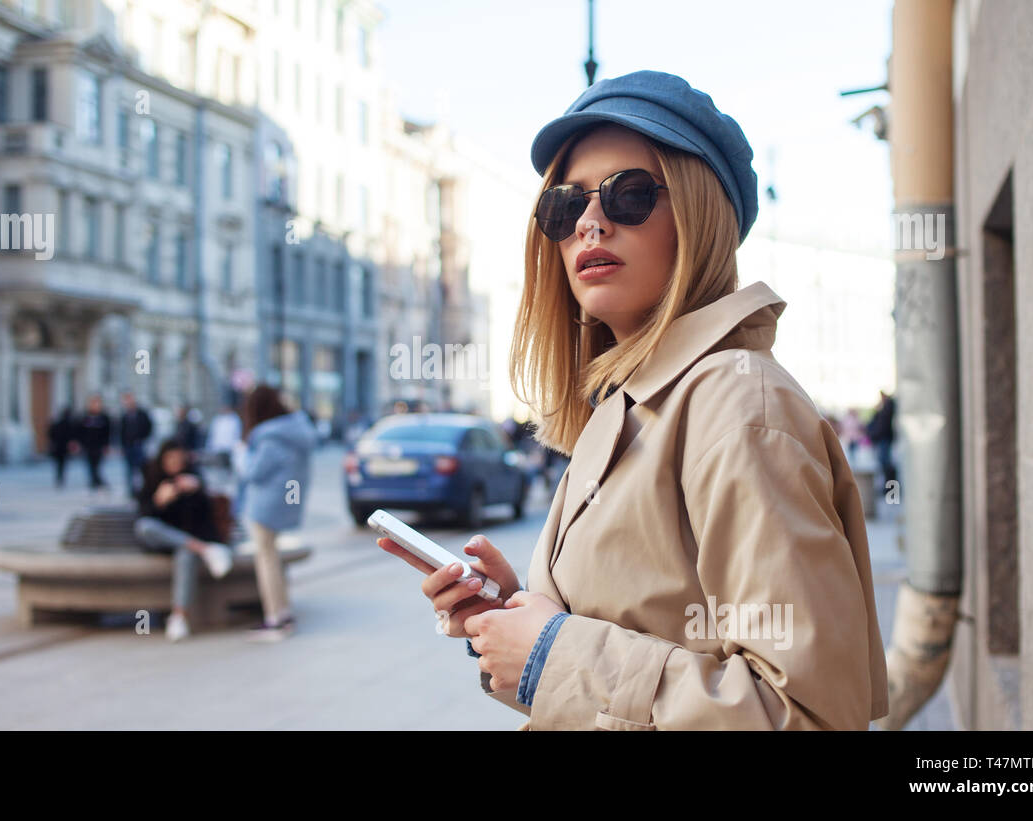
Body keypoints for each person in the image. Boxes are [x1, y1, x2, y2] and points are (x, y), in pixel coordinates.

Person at [377, 70, 887, 730]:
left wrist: (554, 652)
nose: (589, 222)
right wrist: (516, 620)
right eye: (565, 207)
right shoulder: (631, 406)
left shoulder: (736, 403)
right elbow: (638, 652)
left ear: (701, 217)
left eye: (629, 195)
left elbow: (808, 713)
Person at [239, 385, 318, 641]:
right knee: (273, 557)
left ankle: (275, 618)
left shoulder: (269, 436)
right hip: (283, 504)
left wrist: (240, 456)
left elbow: (253, 473)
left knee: (266, 560)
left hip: (265, 505)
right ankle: (283, 613)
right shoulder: (296, 430)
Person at [134, 439, 234, 641]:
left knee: (186, 553)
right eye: (170, 459)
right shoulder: (152, 477)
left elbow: (203, 522)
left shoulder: (194, 479)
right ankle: (205, 550)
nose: (175, 463)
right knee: (144, 527)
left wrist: (196, 491)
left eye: (179, 459)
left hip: (186, 544)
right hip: (162, 541)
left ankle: (179, 617)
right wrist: (158, 501)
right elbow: (144, 516)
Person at [118, 391, 154, 497]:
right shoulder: (125, 415)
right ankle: (131, 490)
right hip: (128, 445)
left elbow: (149, 426)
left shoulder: (142, 414)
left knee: (142, 467)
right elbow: (122, 431)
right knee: (129, 469)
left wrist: (144, 438)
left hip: (139, 444)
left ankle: (145, 488)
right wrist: (122, 445)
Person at [76, 394, 112, 491]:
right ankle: (94, 481)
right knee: (89, 464)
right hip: (88, 445)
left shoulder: (104, 417)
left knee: (98, 464)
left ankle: (97, 480)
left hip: (99, 445)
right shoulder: (85, 417)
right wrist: (79, 443)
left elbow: (108, 432)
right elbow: (79, 431)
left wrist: (107, 445)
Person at [866, 390, 898, 490]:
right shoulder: (884, 407)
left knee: (886, 463)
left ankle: (890, 488)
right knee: (884, 463)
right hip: (882, 438)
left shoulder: (887, 406)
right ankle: (889, 487)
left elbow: (883, 424)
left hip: (884, 438)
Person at [47, 406, 76, 488]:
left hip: (57, 447)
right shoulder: (69, 424)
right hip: (64, 447)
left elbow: (50, 434)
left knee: (59, 464)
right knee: (62, 464)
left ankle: (59, 478)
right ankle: (60, 478)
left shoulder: (56, 424)